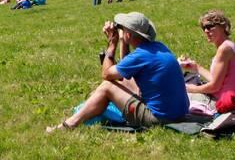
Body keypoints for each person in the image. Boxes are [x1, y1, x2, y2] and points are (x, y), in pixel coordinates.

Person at [47, 12, 189, 132]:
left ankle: (69, 124)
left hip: (160, 118)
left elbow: (107, 74)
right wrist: (123, 41)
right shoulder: (158, 47)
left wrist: (112, 44)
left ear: (128, 34)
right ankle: (91, 106)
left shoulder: (141, 55)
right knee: (123, 79)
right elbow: (124, 68)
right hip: (179, 112)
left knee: (106, 87)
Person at [180, 10, 235, 115]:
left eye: (210, 26)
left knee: (175, 94)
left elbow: (215, 87)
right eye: (204, 28)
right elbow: (217, 80)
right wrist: (196, 67)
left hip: (221, 103)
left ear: (223, 26)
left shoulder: (224, 49)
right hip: (232, 99)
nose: (206, 31)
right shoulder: (228, 45)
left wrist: (190, 89)